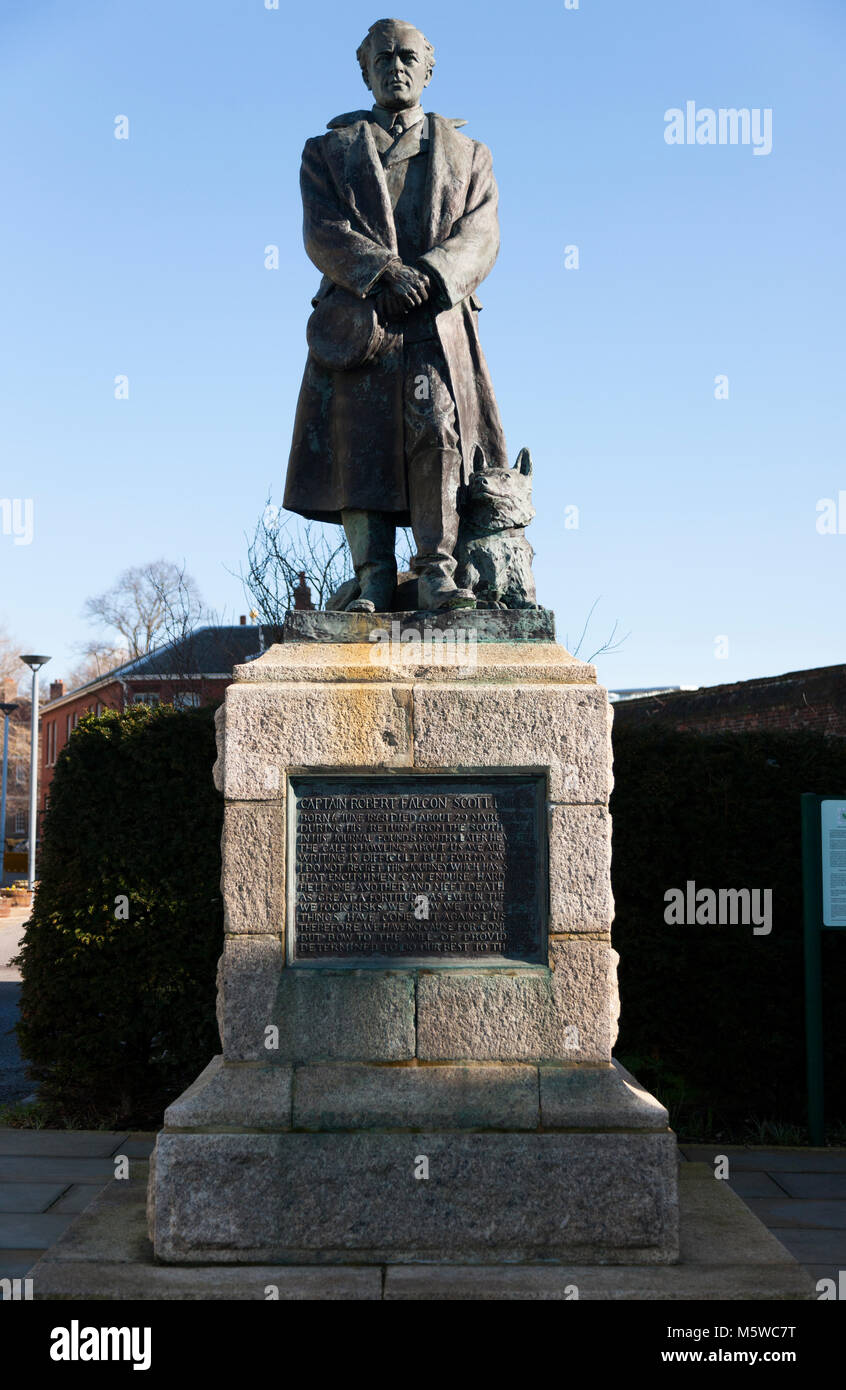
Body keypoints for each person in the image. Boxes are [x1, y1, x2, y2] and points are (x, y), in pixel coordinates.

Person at [283, 17, 509, 611]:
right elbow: (323, 231)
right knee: (360, 443)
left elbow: (482, 235)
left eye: (408, 56)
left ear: (429, 69)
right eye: (382, 59)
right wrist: (383, 271)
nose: (396, 66)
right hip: (362, 322)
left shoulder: (468, 153)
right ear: (365, 71)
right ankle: (374, 577)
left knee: (437, 432)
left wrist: (432, 273)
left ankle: (436, 571)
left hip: (434, 319)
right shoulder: (327, 152)